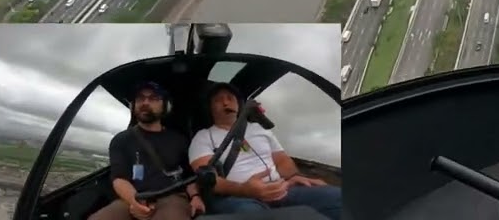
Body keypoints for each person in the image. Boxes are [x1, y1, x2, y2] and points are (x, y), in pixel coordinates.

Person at [188, 83, 341, 220]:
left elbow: (281, 160)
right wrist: (245, 190)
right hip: (237, 197)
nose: (226, 102)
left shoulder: (259, 129)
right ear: (210, 108)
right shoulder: (203, 137)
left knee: (335, 196)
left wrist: (294, 177)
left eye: (230, 98)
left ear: (239, 104)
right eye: (218, 100)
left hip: (280, 188)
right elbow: (208, 179)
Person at [90, 81, 205, 220]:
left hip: (171, 197)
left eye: (153, 98)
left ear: (165, 105)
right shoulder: (121, 140)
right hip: (133, 196)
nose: (145, 102)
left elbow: (189, 176)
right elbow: (119, 178)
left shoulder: (179, 140)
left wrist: (195, 197)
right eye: (140, 98)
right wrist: (134, 202)